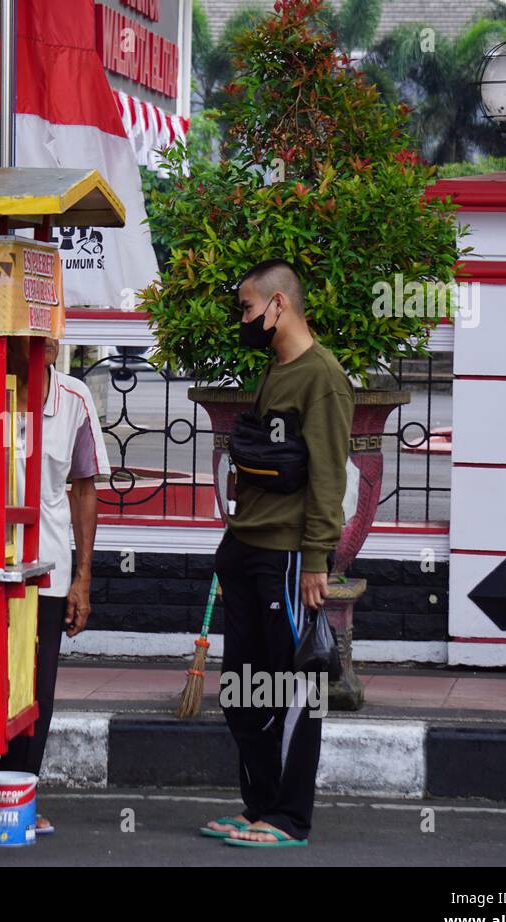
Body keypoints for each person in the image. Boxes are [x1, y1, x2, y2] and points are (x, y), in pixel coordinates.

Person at [202, 259, 354, 849]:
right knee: (243, 690)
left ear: (278, 306)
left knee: (293, 691)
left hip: (289, 557)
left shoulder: (324, 378)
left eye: (247, 309)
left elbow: (327, 478)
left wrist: (317, 560)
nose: (243, 319)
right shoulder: (276, 369)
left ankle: (290, 818)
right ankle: (258, 805)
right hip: (244, 548)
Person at [0, 337, 110, 835]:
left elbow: (83, 490)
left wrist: (83, 578)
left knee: (35, 687)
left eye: (55, 330)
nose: (51, 340)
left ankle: (17, 789)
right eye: (37, 330)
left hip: (44, 567)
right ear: (8, 338)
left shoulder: (73, 400)